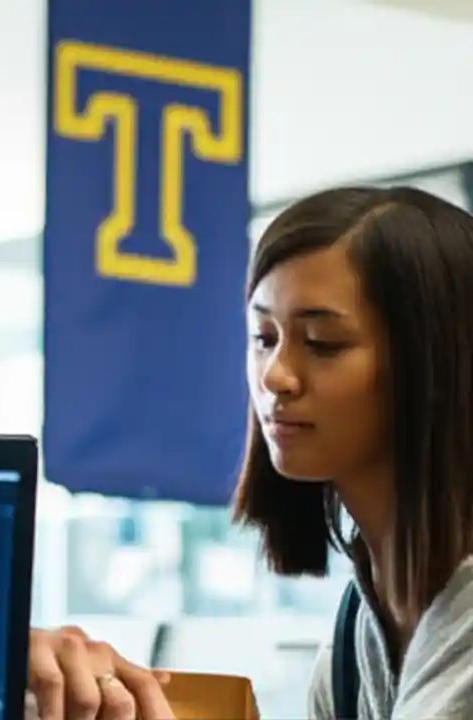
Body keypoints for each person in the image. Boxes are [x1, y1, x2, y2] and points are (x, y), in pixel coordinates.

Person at [25, 186, 473, 719]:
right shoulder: (356, 634)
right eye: (264, 337)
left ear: (433, 362)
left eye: (323, 343)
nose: (275, 376)